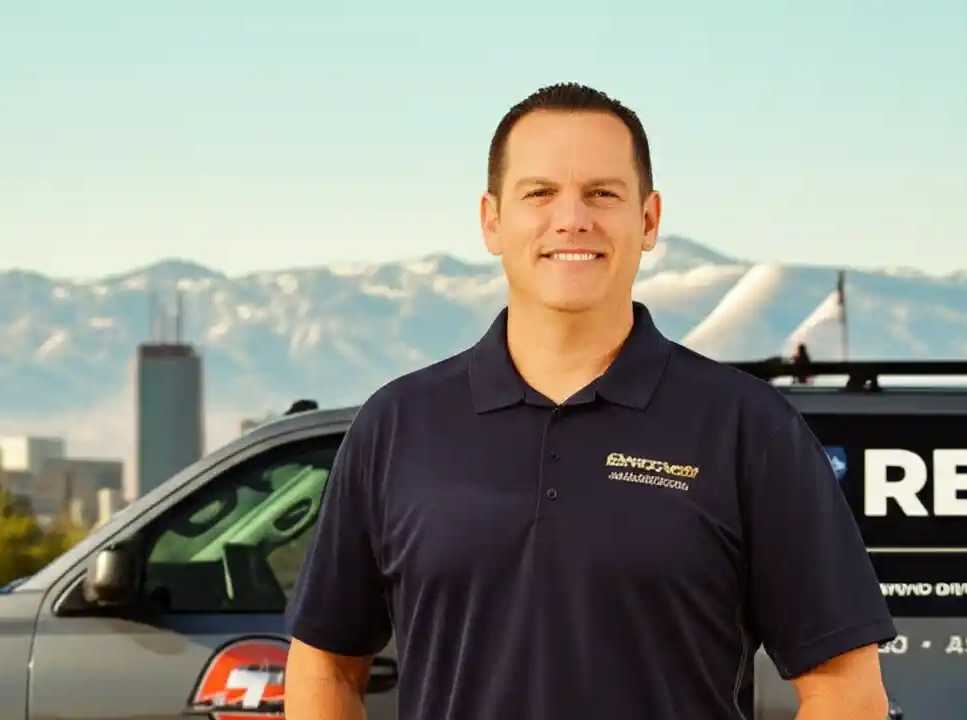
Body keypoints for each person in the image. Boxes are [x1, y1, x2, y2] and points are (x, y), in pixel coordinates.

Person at [284, 82, 896, 719]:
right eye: (540, 193)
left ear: (649, 218)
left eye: (602, 193)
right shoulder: (399, 425)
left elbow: (844, 690)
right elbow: (325, 665)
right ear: (492, 220)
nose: (572, 218)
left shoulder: (747, 428)